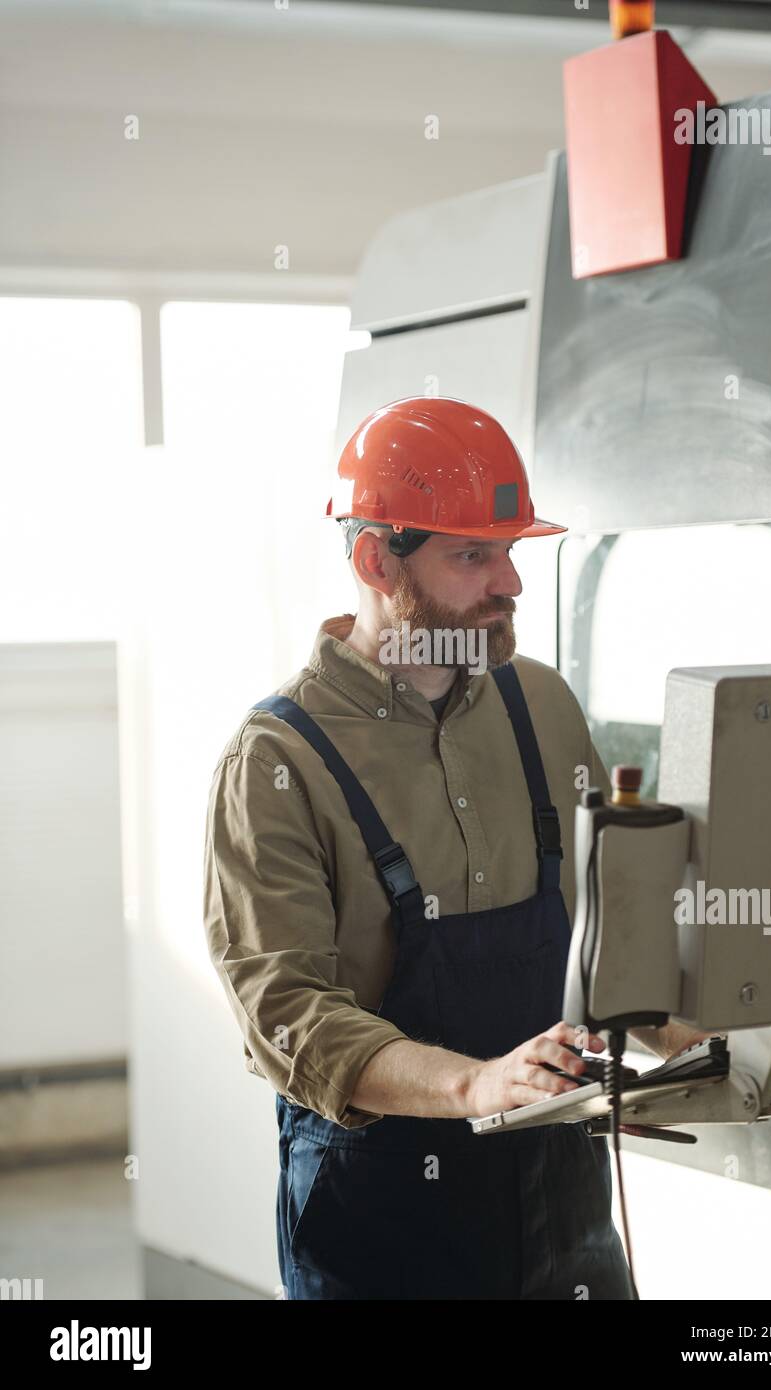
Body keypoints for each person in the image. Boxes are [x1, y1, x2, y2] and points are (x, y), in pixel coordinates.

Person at [203, 395, 703, 1300]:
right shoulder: (276, 760)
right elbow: (288, 1015)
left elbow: (613, 925)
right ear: (372, 559)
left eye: (510, 550)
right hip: (383, 1218)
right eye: (473, 555)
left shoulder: (541, 706)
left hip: (565, 1197)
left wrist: (717, 1041)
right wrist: (478, 1087)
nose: (508, 582)